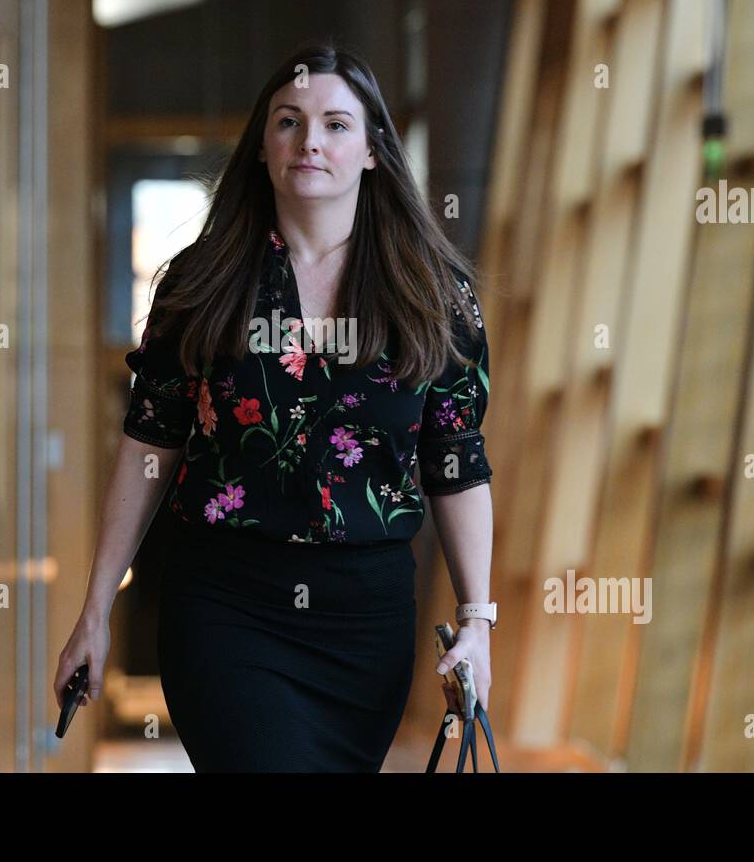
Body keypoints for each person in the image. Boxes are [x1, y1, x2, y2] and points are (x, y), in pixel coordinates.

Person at [54, 42, 497, 772]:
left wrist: (477, 620)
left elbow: (457, 461)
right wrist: (96, 608)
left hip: (365, 624)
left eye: (335, 124)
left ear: (373, 151)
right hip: (226, 608)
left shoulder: (434, 296)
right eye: (288, 122)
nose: (310, 142)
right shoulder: (204, 284)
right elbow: (150, 445)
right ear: (263, 146)